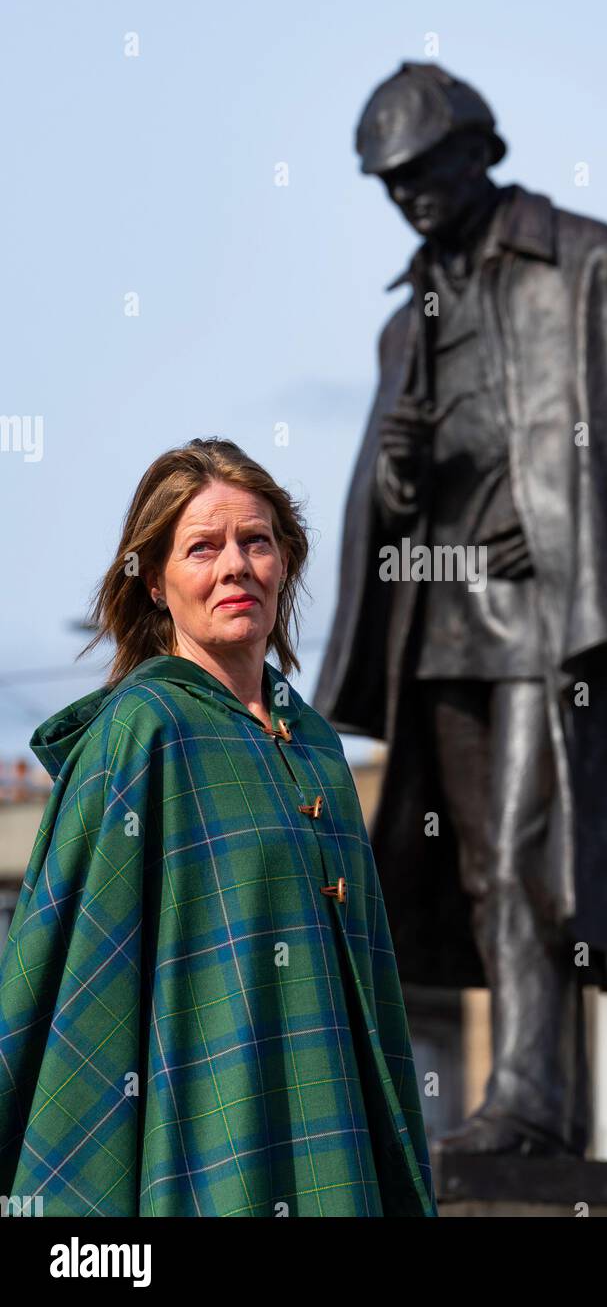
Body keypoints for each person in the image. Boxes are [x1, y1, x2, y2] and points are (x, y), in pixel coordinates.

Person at [314, 63, 607, 1156]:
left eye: (424, 171)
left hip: (541, 611)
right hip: (438, 612)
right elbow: (392, 481)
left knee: (532, 845)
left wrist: (575, 516)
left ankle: (527, 1097)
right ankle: (526, 1098)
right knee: (477, 865)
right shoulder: (409, 318)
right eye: (390, 184)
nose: (410, 196)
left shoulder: (588, 262)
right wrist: (394, 484)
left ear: (481, 149)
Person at [0, 436, 436, 1217]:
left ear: (285, 565)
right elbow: (68, 985)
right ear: (157, 584)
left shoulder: (321, 748)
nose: (236, 565)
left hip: (339, 1153)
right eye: (202, 547)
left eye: (257, 541)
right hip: (205, 1157)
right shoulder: (144, 730)